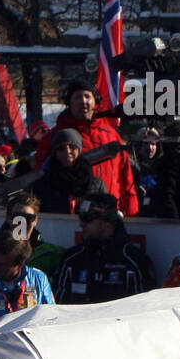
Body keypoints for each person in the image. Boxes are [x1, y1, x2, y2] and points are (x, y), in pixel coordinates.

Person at [35, 80, 140, 215]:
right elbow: (40, 178)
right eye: (78, 97)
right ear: (69, 102)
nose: (83, 101)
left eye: (87, 96)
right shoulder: (54, 137)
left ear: (95, 101)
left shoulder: (112, 135)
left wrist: (132, 214)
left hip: (109, 214)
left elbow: (127, 179)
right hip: (68, 215)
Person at [53, 193, 157, 304]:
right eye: (80, 218)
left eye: (87, 218)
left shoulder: (134, 262)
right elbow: (56, 308)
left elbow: (144, 310)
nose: (81, 224)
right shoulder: (71, 260)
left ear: (105, 221)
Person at [0, 192, 65, 284]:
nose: (22, 223)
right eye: (17, 217)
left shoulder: (52, 255)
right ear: (8, 218)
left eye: (28, 218)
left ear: (36, 220)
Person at [0, 235, 55, 327]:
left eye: (3, 265)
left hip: (27, 338)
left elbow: (51, 318)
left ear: (20, 265)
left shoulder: (38, 279)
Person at [31, 129, 110, 214]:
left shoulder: (96, 184)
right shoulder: (42, 184)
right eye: (61, 148)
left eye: (72, 147)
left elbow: (108, 212)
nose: (67, 151)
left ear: (79, 150)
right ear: (55, 152)